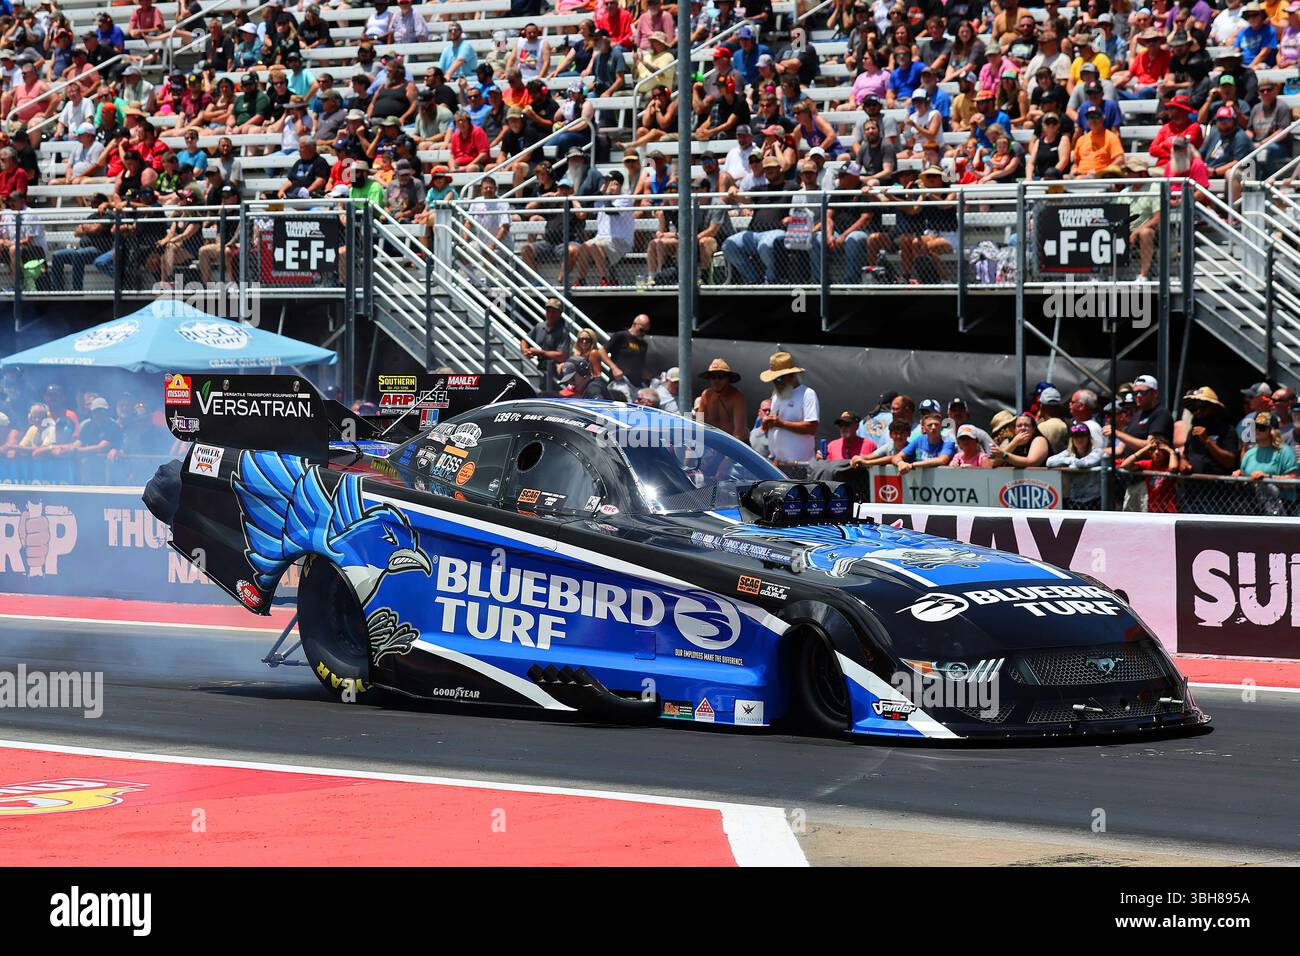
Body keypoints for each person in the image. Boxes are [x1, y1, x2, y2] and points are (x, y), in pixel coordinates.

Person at [1175, 385, 1241, 512]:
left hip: (1217, 497)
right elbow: (1185, 454)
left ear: (1213, 409)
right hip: (1191, 494)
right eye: (1194, 409)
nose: (1197, 412)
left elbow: (1229, 461)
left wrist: (1207, 441)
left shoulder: (1227, 430)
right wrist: (1183, 462)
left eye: (1202, 408)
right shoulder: (1192, 432)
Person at [758, 352, 819, 475]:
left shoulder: (807, 394)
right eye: (774, 379)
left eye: (779, 378)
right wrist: (768, 424)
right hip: (776, 465)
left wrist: (781, 423)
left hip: (801, 467)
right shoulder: (776, 395)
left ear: (791, 376)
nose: (776, 382)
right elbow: (775, 425)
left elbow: (812, 428)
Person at [1234, 411, 1298, 514]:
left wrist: (1267, 477)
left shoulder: (1285, 452)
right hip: (1252, 508)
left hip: (1281, 509)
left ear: (1272, 431)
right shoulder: (1249, 454)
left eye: (1262, 428)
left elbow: (1293, 479)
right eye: (1255, 427)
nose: (1256, 430)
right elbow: (1245, 477)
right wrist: (1240, 475)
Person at [520, 297, 571, 395]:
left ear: (560, 313)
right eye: (548, 310)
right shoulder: (539, 326)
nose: (550, 314)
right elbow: (524, 339)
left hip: (557, 374)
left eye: (554, 311)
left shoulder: (563, 332)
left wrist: (540, 352)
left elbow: (562, 355)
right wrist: (525, 350)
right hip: (540, 369)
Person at [1047, 422, 1104, 507]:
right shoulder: (1069, 453)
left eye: (1083, 435)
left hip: (1094, 500)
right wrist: (1070, 460)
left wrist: (1073, 464)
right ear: (1072, 439)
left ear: (1089, 438)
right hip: (1074, 500)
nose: (1079, 439)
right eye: (1076, 436)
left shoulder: (1097, 451)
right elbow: (1049, 461)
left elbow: (1084, 463)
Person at [696, 358, 748, 441]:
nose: (716, 380)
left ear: (728, 378)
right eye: (713, 377)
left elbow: (739, 432)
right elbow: (698, 424)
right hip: (713, 445)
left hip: (735, 444)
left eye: (720, 377)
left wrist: (727, 452)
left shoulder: (737, 397)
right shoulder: (706, 395)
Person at [606, 313, 651, 396]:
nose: (643, 333)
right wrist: (614, 368)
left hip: (637, 385)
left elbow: (640, 362)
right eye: (641, 330)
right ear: (634, 324)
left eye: (646, 331)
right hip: (621, 382)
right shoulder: (622, 336)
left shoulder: (644, 344)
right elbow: (602, 352)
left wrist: (646, 372)